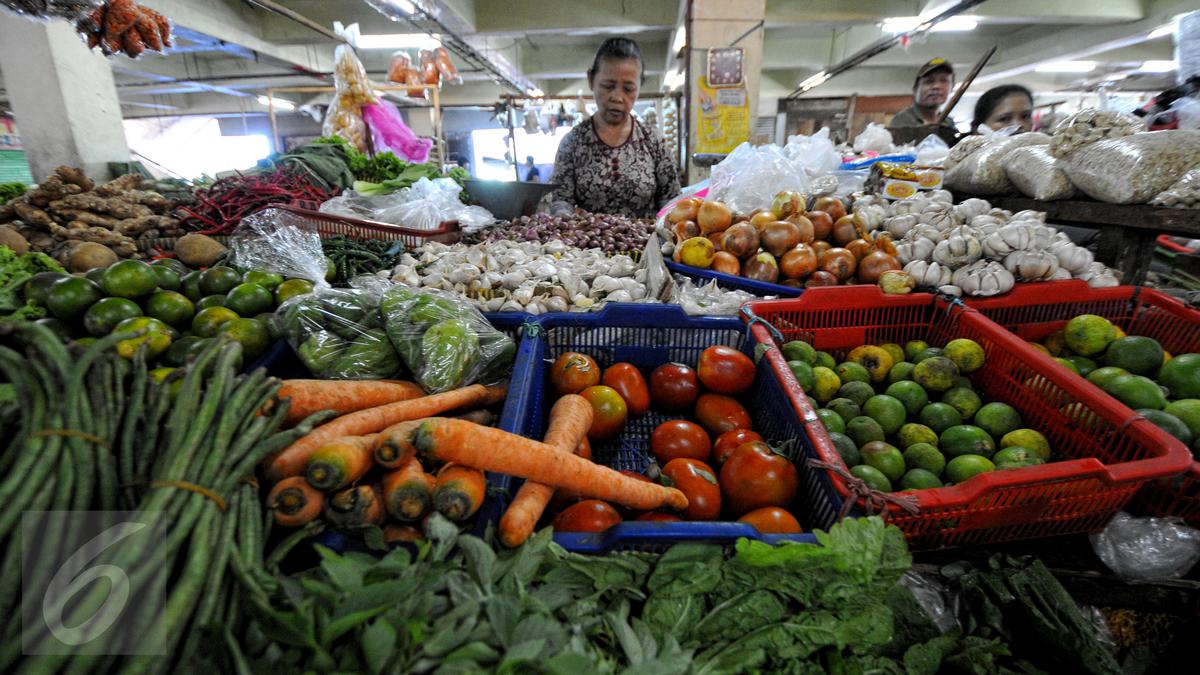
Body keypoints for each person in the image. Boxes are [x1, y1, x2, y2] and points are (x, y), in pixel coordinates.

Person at [550, 37, 680, 218]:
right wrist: (564, 216)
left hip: (648, 244)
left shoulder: (653, 142)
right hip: (589, 244)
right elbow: (561, 198)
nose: (617, 97)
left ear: (639, 87)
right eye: (608, 86)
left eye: (628, 89)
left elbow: (671, 200)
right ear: (591, 80)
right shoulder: (573, 143)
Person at [889, 58, 958, 130]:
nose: (936, 86)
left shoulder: (949, 123)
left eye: (944, 80)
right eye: (929, 81)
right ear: (915, 90)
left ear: (952, 88)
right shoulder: (902, 122)